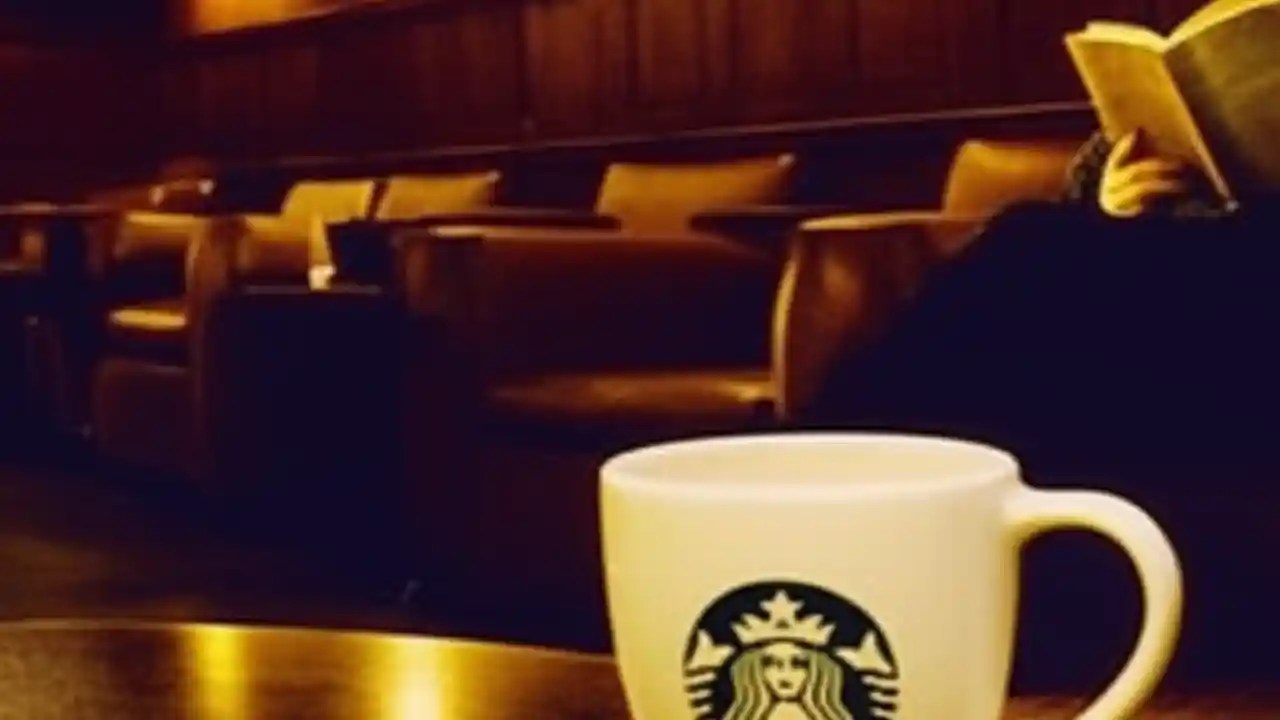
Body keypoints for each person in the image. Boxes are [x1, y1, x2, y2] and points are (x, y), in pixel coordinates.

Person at [808, 127, 1280, 475]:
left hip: (1245, 303)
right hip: (1180, 272)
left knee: (1037, 248)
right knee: (1030, 238)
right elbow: (1097, 173)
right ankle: (855, 445)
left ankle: (856, 443)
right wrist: (1110, 202)